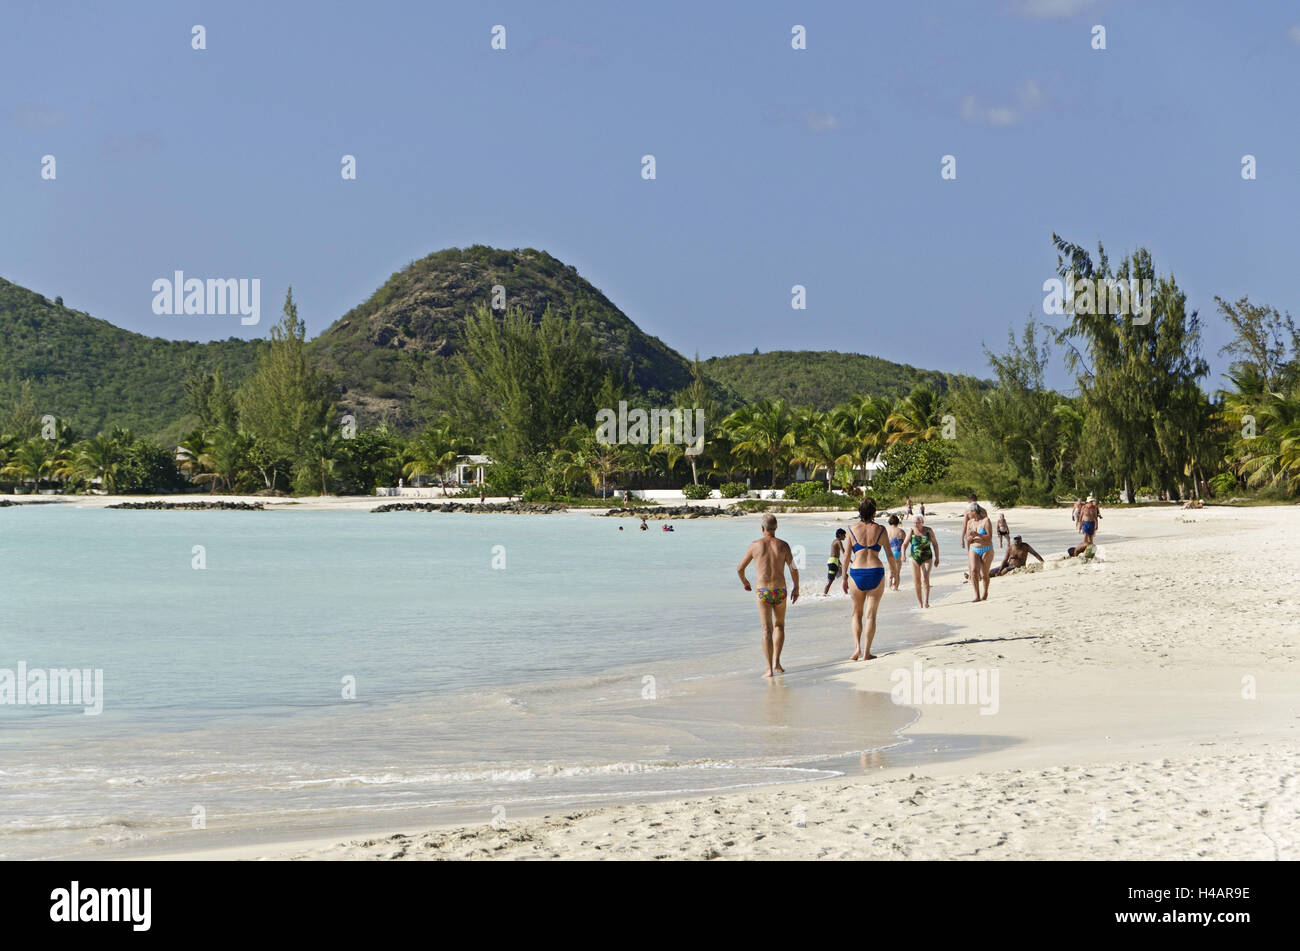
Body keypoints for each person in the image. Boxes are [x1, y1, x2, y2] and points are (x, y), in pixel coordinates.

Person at [737, 514, 799, 678]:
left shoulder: (754, 546)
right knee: (779, 626)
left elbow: (739, 569)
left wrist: (745, 583)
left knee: (766, 630)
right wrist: (796, 588)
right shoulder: (784, 545)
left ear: (762, 528)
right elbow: (793, 568)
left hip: (763, 591)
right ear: (776, 528)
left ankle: (768, 669)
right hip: (780, 590)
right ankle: (777, 662)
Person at [841, 497, 898, 661]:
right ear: (874, 512)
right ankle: (867, 652)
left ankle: (857, 647)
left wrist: (844, 577)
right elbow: (889, 554)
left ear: (860, 512)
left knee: (856, 613)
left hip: (857, 573)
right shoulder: (880, 529)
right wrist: (894, 572)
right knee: (871, 615)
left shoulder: (851, 529)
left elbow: (846, 556)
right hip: (875, 572)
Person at [902, 515, 940, 608]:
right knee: (917, 581)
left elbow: (935, 545)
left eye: (917, 523)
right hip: (914, 557)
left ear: (922, 522)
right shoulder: (911, 531)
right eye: (914, 523)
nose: (915, 524)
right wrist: (903, 555)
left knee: (925, 578)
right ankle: (920, 603)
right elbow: (904, 545)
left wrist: (937, 558)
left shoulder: (928, 531)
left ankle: (926, 601)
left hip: (927, 557)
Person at [966, 503, 994, 602]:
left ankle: (985, 591)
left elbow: (989, 538)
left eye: (969, 512)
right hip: (974, 549)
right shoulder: (970, 523)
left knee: (984, 574)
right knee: (974, 571)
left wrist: (977, 534)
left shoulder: (986, 521)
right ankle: (977, 596)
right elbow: (968, 538)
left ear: (974, 512)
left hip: (986, 549)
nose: (967, 514)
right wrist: (970, 537)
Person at [823, 528, 846, 596]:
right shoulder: (838, 541)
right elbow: (843, 551)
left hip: (835, 562)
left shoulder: (834, 541)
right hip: (833, 563)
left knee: (845, 575)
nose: (845, 537)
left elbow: (835, 554)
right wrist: (850, 560)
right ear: (840, 535)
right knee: (830, 581)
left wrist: (840, 564)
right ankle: (824, 594)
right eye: (844, 535)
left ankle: (845, 592)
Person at [886, 515, 906, 590]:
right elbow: (904, 544)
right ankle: (895, 588)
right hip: (897, 552)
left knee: (890, 571)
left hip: (888, 553)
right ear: (898, 522)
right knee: (897, 572)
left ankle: (889, 588)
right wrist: (903, 553)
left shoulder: (886, 531)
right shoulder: (901, 531)